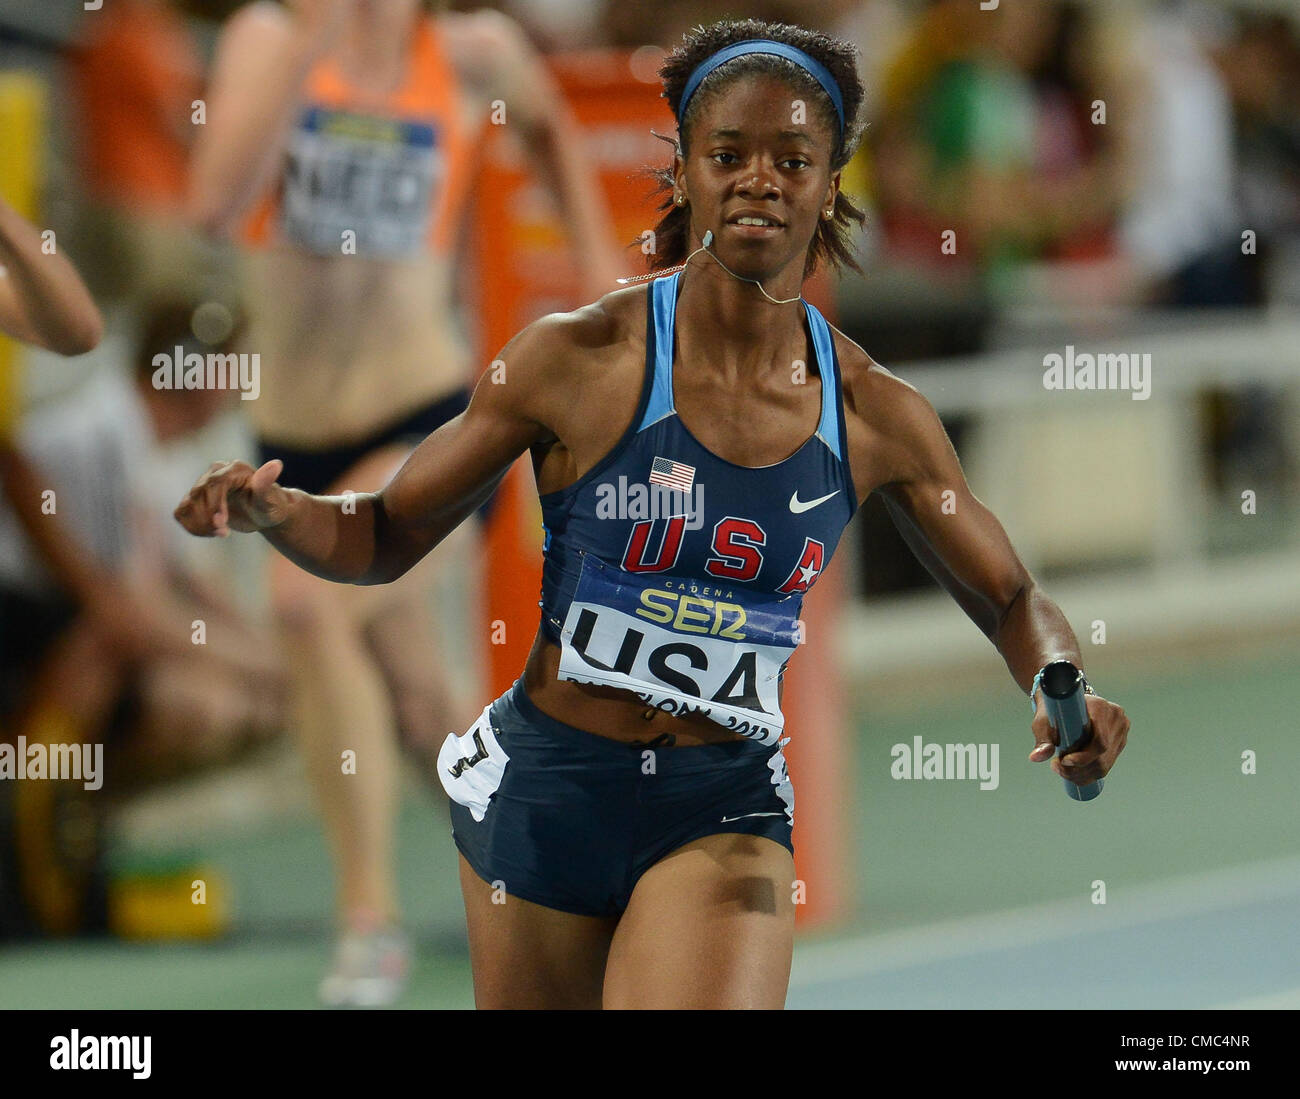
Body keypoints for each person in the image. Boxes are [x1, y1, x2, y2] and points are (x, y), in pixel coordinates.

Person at [174, 18, 1131, 1009]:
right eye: (728, 154)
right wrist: (278, 512)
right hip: (543, 795)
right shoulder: (574, 359)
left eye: (791, 158)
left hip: (718, 807)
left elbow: (1010, 592)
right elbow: (382, 535)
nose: (758, 179)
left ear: (831, 181)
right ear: (681, 170)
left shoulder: (874, 413)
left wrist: (1060, 678)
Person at [187, 0, 620, 1004]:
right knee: (420, 704)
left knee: (304, 607)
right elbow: (215, 206)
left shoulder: (474, 55)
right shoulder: (271, 36)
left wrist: (598, 279)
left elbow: (551, 127)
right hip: (292, 436)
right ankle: (566, 884)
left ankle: (366, 920)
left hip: (430, 418)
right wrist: (304, 51)